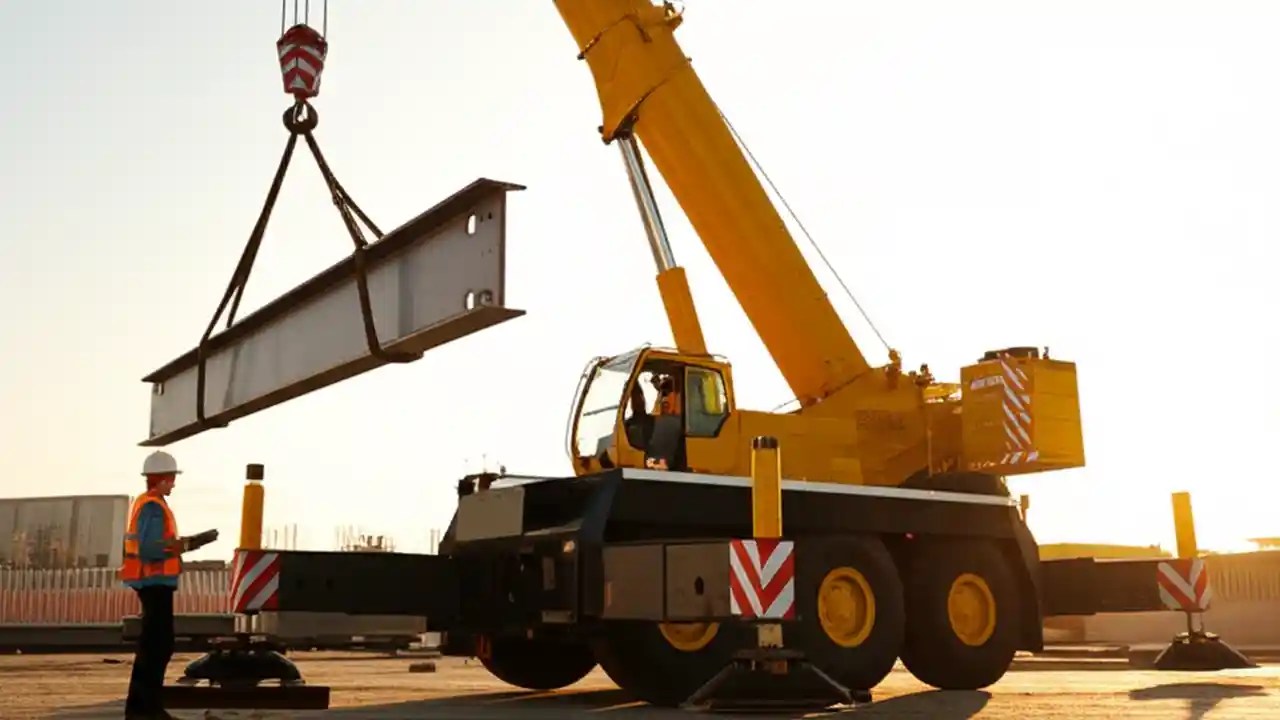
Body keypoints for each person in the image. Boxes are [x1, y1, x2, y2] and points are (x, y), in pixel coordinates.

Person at [121, 450, 191, 720]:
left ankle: (143, 708)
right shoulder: (152, 506)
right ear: (160, 478)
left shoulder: (150, 503)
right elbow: (150, 548)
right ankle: (145, 709)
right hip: (154, 584)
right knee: (158, 646)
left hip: (153, 584)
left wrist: (180, 546)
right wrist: (178, 546)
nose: (174, 483)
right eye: (171, 478)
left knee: (155, 645)